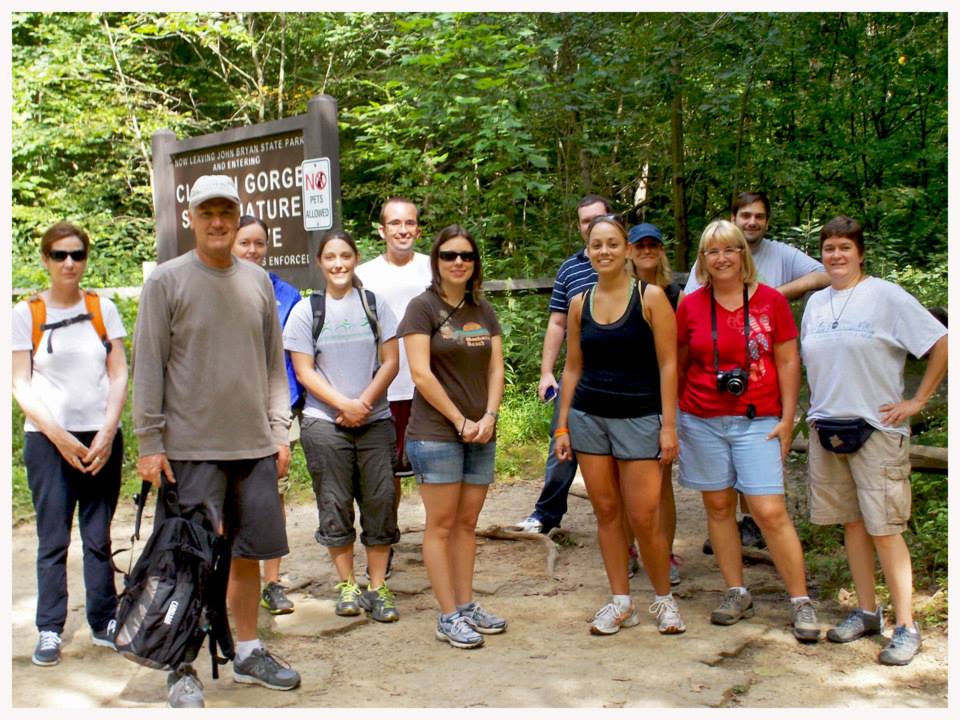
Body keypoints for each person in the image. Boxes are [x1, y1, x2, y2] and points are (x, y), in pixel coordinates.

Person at [133, 175, 300, 707]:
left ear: (236, 214)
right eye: (208, 212)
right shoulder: (167, 281)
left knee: (250, 554)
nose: (218, 221)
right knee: (184, 560)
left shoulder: (256, 282)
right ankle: (178, 662)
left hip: (253, 447)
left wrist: (280, 431)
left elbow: (275, 366)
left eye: (227, 211)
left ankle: (248, 650)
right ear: (191, 218)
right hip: (189, 450)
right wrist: (149, 441)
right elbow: (149, 367)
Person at [801, 216, 947, 666]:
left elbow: (941, 341)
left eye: (845, 247)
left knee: (885, 529)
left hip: (878, 430)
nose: (836, 256)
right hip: (827, 427)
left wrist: (917, 401)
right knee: (852, 524)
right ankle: (866, 612)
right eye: (829, 248)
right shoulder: (816, 303)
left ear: (860, 253)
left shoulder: (886, 297)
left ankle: (906, 625)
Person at [676, 219, 820, 643]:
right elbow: (679, 363)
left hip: (759, 418)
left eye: (729, 250)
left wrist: (788, 417)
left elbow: (789, 362)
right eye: (712, 252)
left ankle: (800, 600)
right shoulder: (692, 304)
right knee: (719, 508)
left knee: (769, 511)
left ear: (744, 254)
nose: (721, 258)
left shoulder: (771, 301)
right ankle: (736, 591)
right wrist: (673, 418)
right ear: (703, 260)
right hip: (702, 418)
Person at [553, 214, 685, 636]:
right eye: (597, 245)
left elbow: (668, 363)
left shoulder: (650, 297)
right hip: (589, 418)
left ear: (627, 250)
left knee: (644, 516)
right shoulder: (579, 303)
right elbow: (572, 369)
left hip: (641, 418)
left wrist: (668, 425)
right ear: (587, 252)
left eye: (612, 244)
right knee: (607, 513)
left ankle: (663, 599)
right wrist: (562, 427)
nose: (604, 251)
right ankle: (620, 600)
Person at [686, 192, 830, 552]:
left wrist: (772, 294)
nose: (752, 222)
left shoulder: (781, 254)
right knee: (720, 475)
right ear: (733, 217)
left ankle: (754, 525)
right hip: (715, 383)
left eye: (759, 216)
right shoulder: (713, 255)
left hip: (763, 373)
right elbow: (692, 310)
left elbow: (824, 273)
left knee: (759, 472)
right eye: (746, 215)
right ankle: (733, 529)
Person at [12, 222, 128, 667]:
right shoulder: (27, 314)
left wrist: (107, 430)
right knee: (52, 538)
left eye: (76, 255)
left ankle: (104, 620)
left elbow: (118, 372)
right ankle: (49, 627)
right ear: (45, 259)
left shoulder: (104, 308)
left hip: (101, 439)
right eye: (59, 255)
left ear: (85, 258)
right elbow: (20, 384)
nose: (68, 263)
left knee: (97, 535)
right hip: (48, 442)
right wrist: (60, 438)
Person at [284, 229, 401, 623]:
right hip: (324, 422)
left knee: (381, 502)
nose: (338, 264)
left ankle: (378, 585)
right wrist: (344, 405)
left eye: (345, 256)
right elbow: (304, 370)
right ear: (320, 262)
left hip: (375, 420)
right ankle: (348, 584)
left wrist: (364, 403)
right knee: (334, 503)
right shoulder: (306, 311)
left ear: (355, 259)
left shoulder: (374, 305)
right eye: (330, 257)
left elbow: (391, 361)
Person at [398, 224, 506, 649]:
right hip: (436, 433)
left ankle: (465, 604)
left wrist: (490, 416)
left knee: (467, 523)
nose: (458, 262)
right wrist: (460, 421)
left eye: (466, 255)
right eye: (449, 255)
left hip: (481, 431)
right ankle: (446, 614)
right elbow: (420, 374)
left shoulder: (483, 308)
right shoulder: (421, 308)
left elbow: (496, 367)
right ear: (436, 261)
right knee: (440, 525)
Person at [515, 194, 611, 535]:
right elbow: (557, 324)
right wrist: (545, 373)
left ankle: (620, 525)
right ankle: (546, 514)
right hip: (577, 374)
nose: (592, 225)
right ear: (579, 226)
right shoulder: (570, 269)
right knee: (561, 443)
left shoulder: (625, 263)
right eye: (586, 221)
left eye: (598, 217)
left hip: (621, 378)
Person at [356, 196, 433, 579]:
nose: (403, 230)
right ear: (382, 229)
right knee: (385, 479)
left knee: (435, 471)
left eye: (409, 223)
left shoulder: (434, 269)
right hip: (384, 387)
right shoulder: (364, 274)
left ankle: (441, 542)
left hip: (428, 387)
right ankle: (383, 545)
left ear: (418, 228)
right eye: (395, 223)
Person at [232, 214, 303, 616]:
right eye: (246, 243)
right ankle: (234, 577)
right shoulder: (219, 287)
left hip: (276, 411)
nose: (253, 250)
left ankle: (272, 582)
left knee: (273, 496)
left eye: (259, 243)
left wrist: (288, 409)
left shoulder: (286, 294)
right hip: (231, 413)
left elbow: (291, 357)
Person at [625, 222, 684, 586]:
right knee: (626, 483)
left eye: (653, 244)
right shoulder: (617, 290)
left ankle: (663, 551)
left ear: (661, 250)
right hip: (625, 394)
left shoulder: (676, 294)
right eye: (640, 245)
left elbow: (679, 352)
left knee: (661, 481)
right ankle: (631, 548)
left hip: (662, 393)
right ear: (629, 250)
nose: (647, 250)